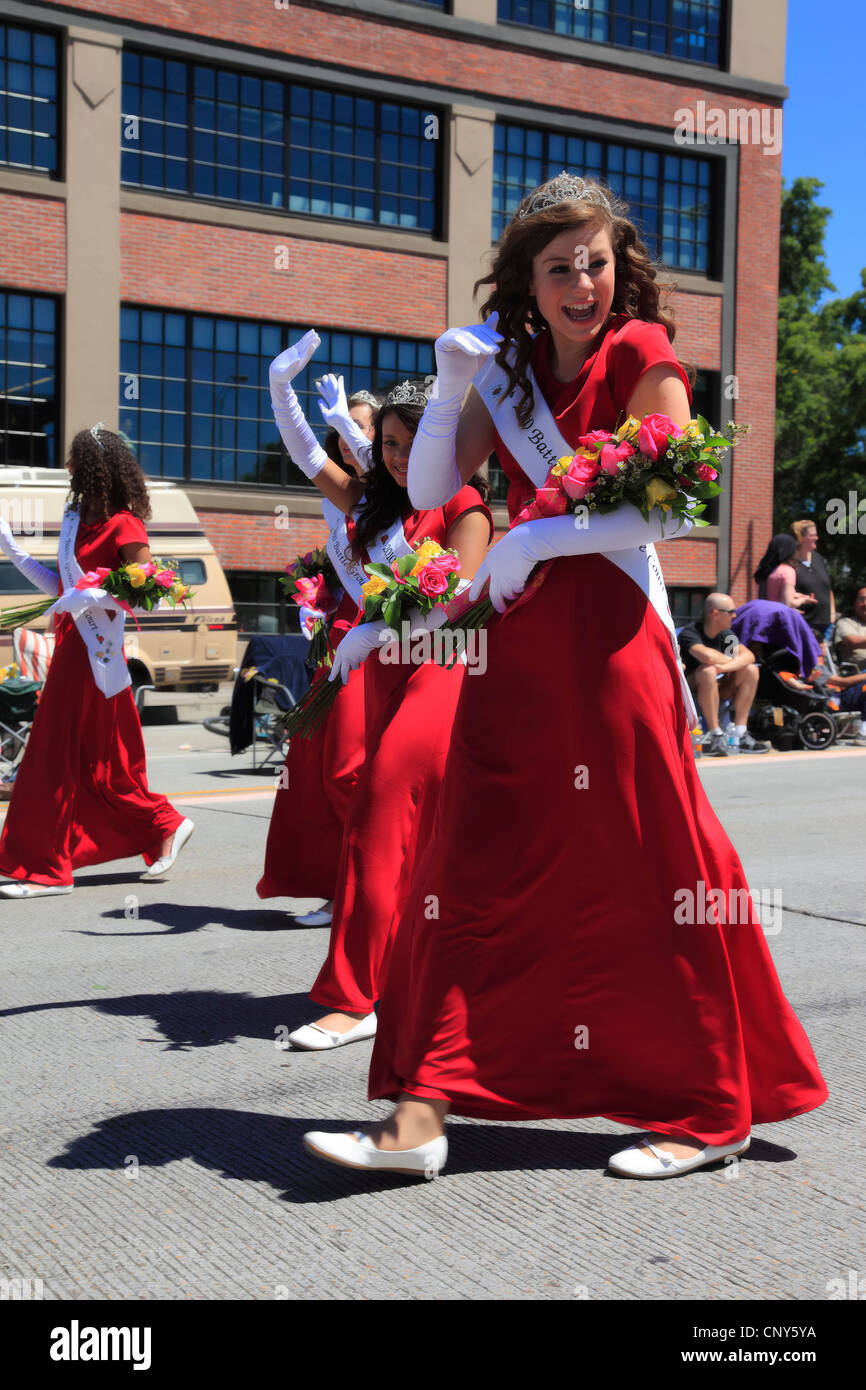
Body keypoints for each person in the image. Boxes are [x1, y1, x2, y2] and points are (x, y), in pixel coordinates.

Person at [301, 172, 828, 1180]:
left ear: (613, 265)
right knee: (465, 865)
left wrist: (538, 543)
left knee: (651, 865)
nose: (580, 281)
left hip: (606, 646)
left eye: (593, 261)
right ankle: (420, 1109)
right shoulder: (507, 369)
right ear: (526, 282)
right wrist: (453, 386)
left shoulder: (638, 352)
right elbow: (426, 487)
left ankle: (710, 1105)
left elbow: (679, 506)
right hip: (516, 650)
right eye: (558, 268)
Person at [267, 339, 492, 1051]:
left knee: (377, 812)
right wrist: (280, 392)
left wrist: (377, 628)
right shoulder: (377, 503)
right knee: (423, 838)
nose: (398, 456)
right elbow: (309, 458)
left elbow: (458, 601)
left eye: (412, 442)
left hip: (443, 675)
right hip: (382, 676)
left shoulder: (465, 504)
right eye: (388, 443)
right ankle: (434, 974)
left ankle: (352, 996)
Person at [0, 426, 193, 899]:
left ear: (95, 468)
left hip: (96, 654)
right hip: (73, 648)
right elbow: (58, 586)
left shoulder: (125, 524)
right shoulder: (74, 518)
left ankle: (46, 869)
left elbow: (149, 589)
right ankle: (162, 823)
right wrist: (10, 546)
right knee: (98, 764)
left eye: (75, 459)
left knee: (52, 756)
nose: (69, 468)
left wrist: (96, 592)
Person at [257, 385, 376, 929]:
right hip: (342, 638)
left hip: (389, 640)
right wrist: (321, 594)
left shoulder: (405, 493)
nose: (347, 440)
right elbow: (307, 453)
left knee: (347, 770)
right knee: (314, 763)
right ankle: (338, 885)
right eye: (340, 430)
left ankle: (369, 891)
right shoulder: (341, 495)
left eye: (359, 428)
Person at [678, 594, 769, 755]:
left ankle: (740, 733)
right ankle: (715, 735)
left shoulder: (726, 635)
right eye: (730, 611)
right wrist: (729, 661)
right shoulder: (690, 633)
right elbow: (708, 657)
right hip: (693, 691)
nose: (735, 615)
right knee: (707, 670)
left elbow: (749, 657)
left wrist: (723, 667)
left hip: (719, 687)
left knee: (751, 670)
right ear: (715, 613)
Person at [791, 519, 835, 646]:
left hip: (825, 624)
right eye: (813, 535)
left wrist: (832, 613)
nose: (817, 538)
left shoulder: (818, 559)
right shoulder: (791, 563)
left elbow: (828, 589)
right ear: (801, 538)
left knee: (822, 662)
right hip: (805, 624)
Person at [753, 534, 814, 610]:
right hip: (777, 618)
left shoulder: (763, 570)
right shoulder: (787, 571)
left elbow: (771, 593)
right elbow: (788, 604)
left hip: (762, 615)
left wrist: (794, 595)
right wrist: (804, 600)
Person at [833, 585, 866, 671]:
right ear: (854, 602)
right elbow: (852, 641)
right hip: (857, 673)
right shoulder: (844, 622)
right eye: (861, 599)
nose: (865, 603)